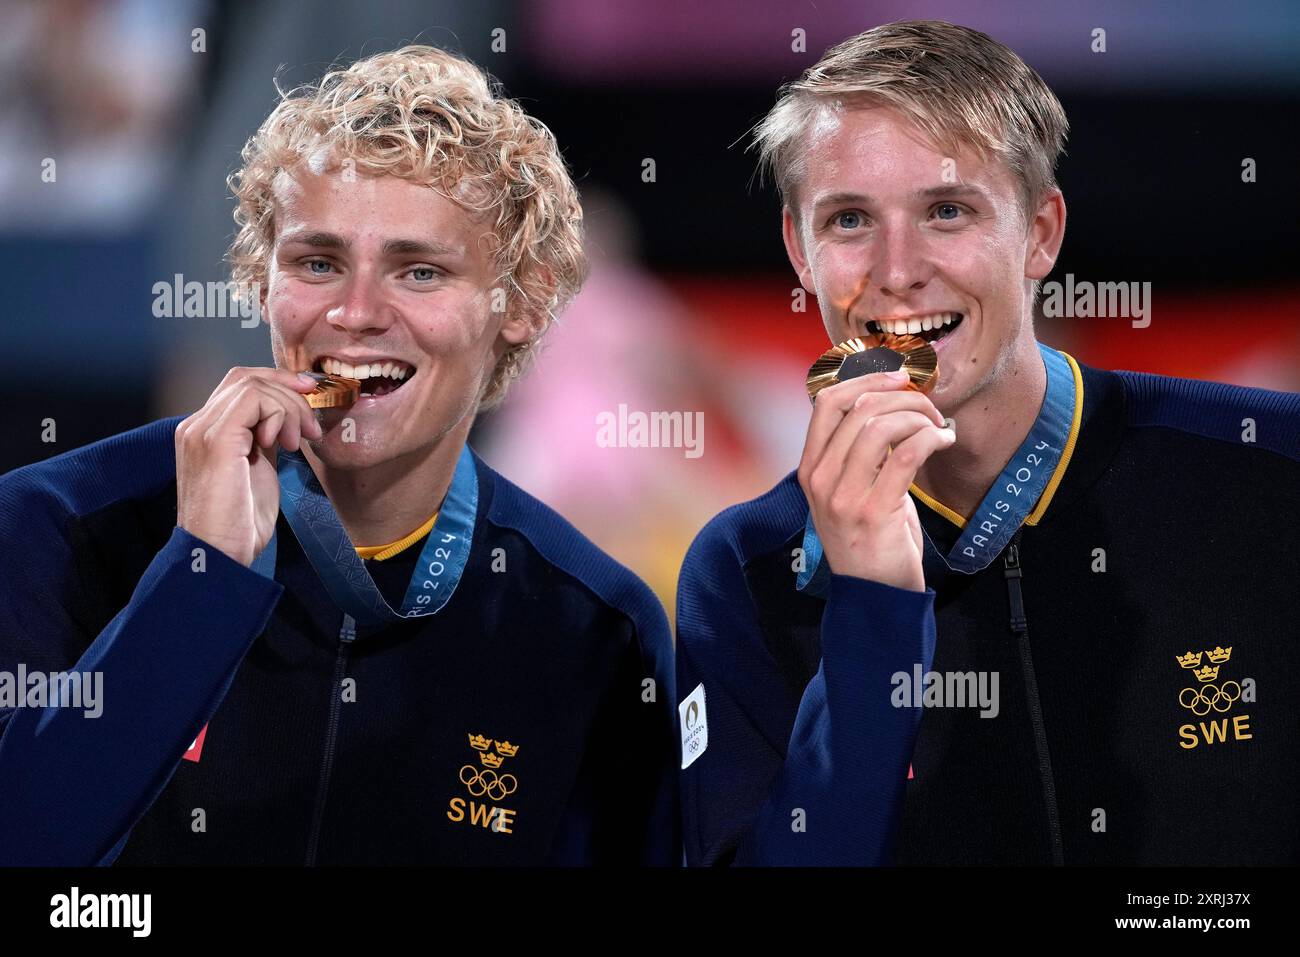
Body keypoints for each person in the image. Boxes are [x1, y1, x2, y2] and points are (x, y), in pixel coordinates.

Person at [0, 46, 677, 866]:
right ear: (261, 280)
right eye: (318, 263)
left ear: (521, 303)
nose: (356, 312)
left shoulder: (597, 627)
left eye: (418, 270)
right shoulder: (55, 525)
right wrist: (198, 579)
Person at [675, 20, 1299, 866]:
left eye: (947, 210)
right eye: (851, 219)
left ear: (1040, 233)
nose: (897, 270)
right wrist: (873, 610)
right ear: (800, 250)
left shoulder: (1268, 471)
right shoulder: (745, 570)